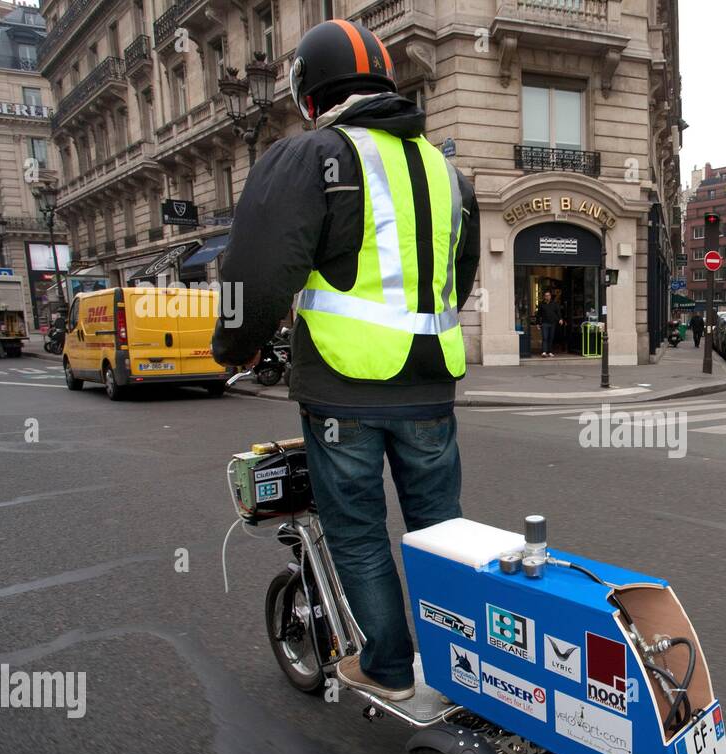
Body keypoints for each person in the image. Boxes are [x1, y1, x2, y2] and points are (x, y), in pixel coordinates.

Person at [212, 18, 481, 702]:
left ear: (310, 94)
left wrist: (234, 348)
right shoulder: (447, 171)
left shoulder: (314, 157)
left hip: (346, 386)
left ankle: (388, 667)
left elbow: (259, 268)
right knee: (440, 533)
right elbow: (459, 274)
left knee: (358, 532)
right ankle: (462, 667)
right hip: (431, 388)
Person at [537, 289, 562, 357]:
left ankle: (550, 351)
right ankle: (544, 352)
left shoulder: (554, 304)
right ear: (544, 297)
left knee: (551, 338)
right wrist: (538, 323)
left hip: (552, 323)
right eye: (546, 296)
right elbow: (539, 314)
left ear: (550, 296)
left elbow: (558, 312)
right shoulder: (541, 304)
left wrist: (560, 319)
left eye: (548, 295)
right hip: (544, 323)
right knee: (545, 337)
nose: (547, 297)